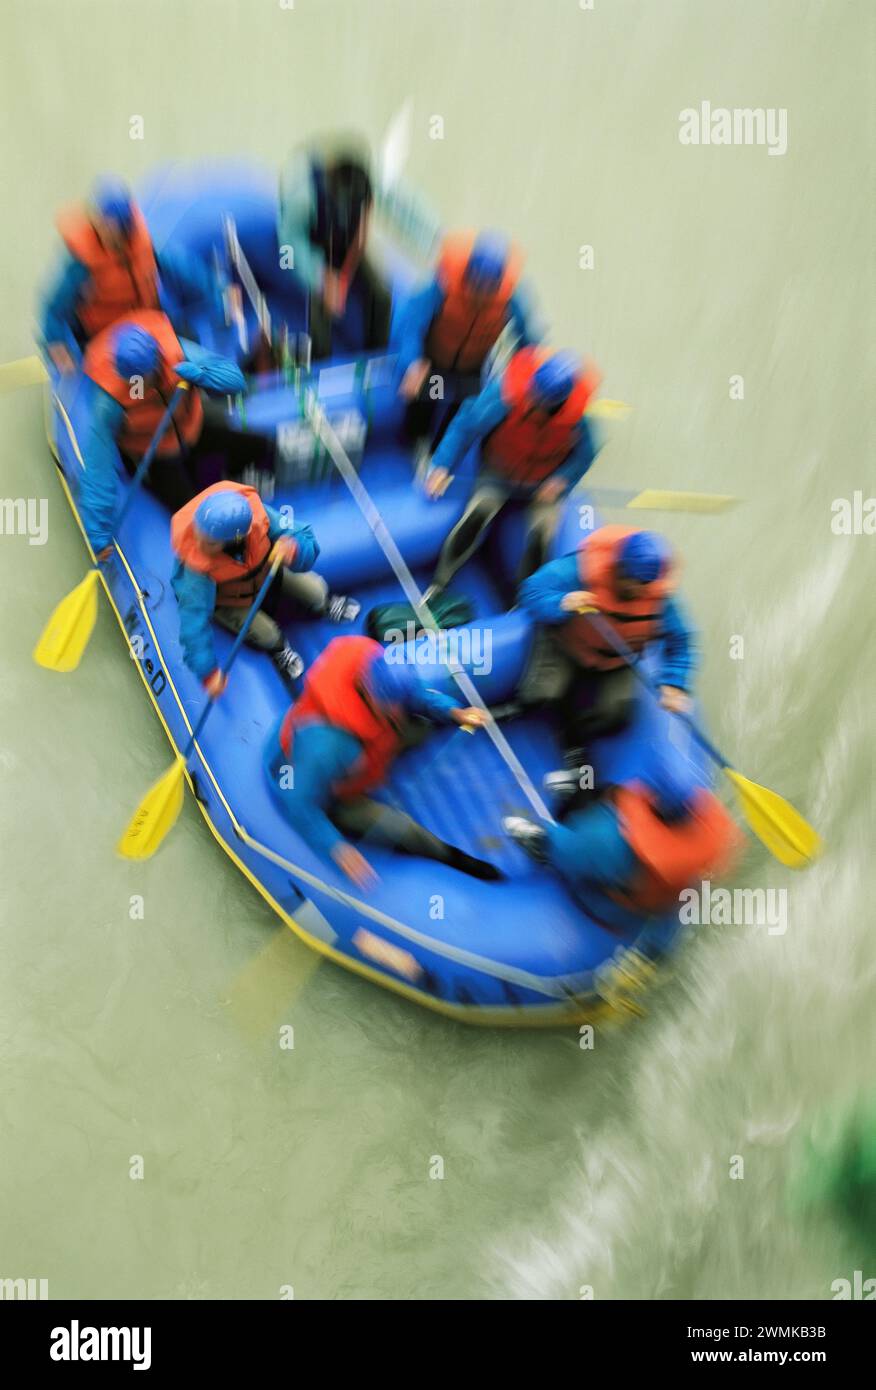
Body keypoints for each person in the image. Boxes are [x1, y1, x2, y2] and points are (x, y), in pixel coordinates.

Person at [263, 634, 501, 888]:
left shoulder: (371, 664)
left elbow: (416, 694)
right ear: (378, 699)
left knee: (420, 727)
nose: (402, 708)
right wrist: (335, 847)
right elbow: (297, 798)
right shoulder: (325, 745)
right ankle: (455, 859)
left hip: (366, 751)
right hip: (336, 793)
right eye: (396, 706)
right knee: (402, 829)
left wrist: (454, 711)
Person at [79, 309, 271, 556]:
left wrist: (204, 375)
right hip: (154, 453)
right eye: (135, 382)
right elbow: (98, 465)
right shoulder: (108, 403)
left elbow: (235, 380)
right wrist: (98, 533)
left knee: (256, 444)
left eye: (144, 379)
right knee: (194, 514)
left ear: (157, 359)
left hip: (192, 425)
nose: (140, 387)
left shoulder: (177, 351)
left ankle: (246, 482)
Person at [421, 346, 601, 598]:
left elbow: (585, 455)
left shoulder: (577, 421)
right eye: (534, 397)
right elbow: (465, 426)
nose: (535, 404)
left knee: (542, 535)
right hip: (499, 473)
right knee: (477, 515)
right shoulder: (503, 396)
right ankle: (441, 581)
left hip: (542, 483)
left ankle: (527, 599)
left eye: (542, 402)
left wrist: (562, 480)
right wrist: (441, 465)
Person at [504, 752, 742, 931]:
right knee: (605, 804)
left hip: (616, 903)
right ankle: (579, 787)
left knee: (577, 844)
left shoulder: (608, 843)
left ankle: (535, 841)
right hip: (663, 891)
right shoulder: (713, 830)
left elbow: (566, 849)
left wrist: (549, 839)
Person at [171, 482, 358, 694]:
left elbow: (305, 535)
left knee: (316, 589)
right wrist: (207, 673)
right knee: (268, 634)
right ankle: (280, 649)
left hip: (265, 572)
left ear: (236, 538)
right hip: (230, 600)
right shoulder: (196, 566)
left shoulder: (262, 519)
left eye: (211, 542)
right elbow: (193, 619)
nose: (199, 543)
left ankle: (324, 605)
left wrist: (293, 549)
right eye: (200, 534)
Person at [515, 526, 696, 744]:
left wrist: (674, 683)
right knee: (541, 695)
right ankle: (531, 712)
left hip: (616, 661)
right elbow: (531, 591)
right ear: (620, 568)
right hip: (565, 646)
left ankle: (573, 737)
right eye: (634, 582)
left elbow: (681, 641)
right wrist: (561, 602)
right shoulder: (577, 570)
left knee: (615, 714)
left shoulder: (661, 599)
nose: (640, 590)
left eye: (645, 584)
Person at [40, 176, 219, 372]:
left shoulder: (142, 243)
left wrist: (217, 288)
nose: (109, 233)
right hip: (107, 335)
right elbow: (55, 307)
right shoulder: (81, 264)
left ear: (127, 226)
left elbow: (181, 267)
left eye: (114, 228)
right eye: (104, 226)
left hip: (147, 318)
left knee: (187, 347)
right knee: (133, 379)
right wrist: (55, 341)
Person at [395, 229, 541, 449]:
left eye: (488, 288)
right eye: (477, 285)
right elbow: (413, 320)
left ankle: (439, 452)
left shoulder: (512, 300)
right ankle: (412, 441)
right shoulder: (443, 285)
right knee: (425, 403)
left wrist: (528, 376)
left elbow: (527, 339)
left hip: (472, 365)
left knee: (458, 410)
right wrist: (413, 362)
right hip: (435, 359)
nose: (481, 294)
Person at [278, 137, 392, 359]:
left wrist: (433, 238)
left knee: (381, 295)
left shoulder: (364, 183)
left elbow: (401, 207)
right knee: (318, 310)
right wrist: (321, 278)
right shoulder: (304, 197)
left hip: (344, 241)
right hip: (313, 245)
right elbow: (290, 242)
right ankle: (321, 361)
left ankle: (376, 357)